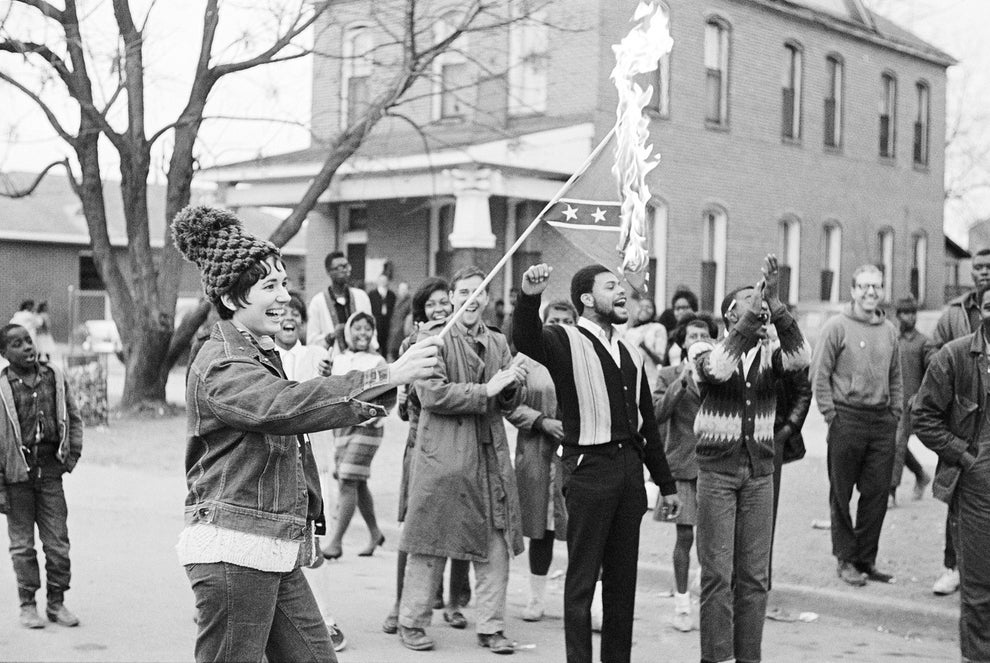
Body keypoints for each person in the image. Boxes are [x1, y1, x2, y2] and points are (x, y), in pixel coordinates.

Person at [171, 205, 441, 663]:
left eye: (284, 282)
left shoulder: (260, 352)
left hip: (275, 546)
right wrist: (388, 374)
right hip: (234, 551)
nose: (285, 296)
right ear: (234, 299)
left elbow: (297, 419)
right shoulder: (220, 362)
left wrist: (396, 378)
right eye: (269, 286)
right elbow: (288, 406)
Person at [513, 263, 680, 663]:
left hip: (629, 473)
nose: (621, 292)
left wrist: (667, 484)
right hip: (588, 470)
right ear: (587, 299)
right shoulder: (563, 338)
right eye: (611, 287)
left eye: (620, 286)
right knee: (583, 582)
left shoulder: (631, 351)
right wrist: (529, 297)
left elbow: (648, 425)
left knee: (622, 585)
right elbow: (526, 338)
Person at [397, 266, 527, 654]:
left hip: (489, 453)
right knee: (430, 539)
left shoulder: (498, 342)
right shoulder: (430, 338)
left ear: (486, 299)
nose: (472, 298)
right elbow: (433, 394)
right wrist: (487, 389)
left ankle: (491, 625)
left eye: (479, 291)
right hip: (445, 454)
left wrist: (511, 387)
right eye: (464, 291)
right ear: (452, 297)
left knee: (496, 540)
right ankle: (411, 621)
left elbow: (509, 401)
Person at [692, 254, 811, 663]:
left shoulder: (769, 352)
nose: (758, 299)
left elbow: (801, 360)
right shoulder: (702, 346)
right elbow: (719, 371)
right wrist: (750, 323)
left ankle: (749, 657)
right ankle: (717, 657)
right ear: (729, 312)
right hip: (717, 472)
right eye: (750, 296)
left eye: (760, 294)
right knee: (717, 576)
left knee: (755, 578)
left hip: (760, 471)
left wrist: (777, 307)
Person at [382, 277, 471, 635]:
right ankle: (401, 602)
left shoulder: (465, 341)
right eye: (430, 306)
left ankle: (453, 600)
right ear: (420, 315)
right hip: (421, 443)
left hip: (459, 442)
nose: (439, 310)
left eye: (443, 303)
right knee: (415, 525)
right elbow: (405, 409)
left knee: (460, 518)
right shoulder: (414, 344)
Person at [912, 281, 990, 663]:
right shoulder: (955, 356)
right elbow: (923, 416)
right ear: (979, 312)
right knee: (978, 587)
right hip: (977, 487)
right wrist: (963, 454)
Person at [813, 264, 902, 587]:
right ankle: (846, 559)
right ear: (852, 290)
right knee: (841, 493)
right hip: (846, 418)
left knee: (877, 493)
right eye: (864, 286)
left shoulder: (889, 329)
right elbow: (819, 375)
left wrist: (895, 413)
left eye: (876, 286)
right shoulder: (836, 326)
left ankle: (866, 558)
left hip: (881, 421)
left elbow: (896, 375)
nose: (870, 292)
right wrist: (831, 416)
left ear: (882, 291)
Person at [272, 292, 346, 651]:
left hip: (312, 464)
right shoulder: (262, 357)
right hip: (277, 466)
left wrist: (325, 376)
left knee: (314, 546)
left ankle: (325, 619)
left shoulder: (316, 357)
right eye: (282, 312)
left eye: (296, 313)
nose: (289, 318)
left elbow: (331, 391)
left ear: (302, 321)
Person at [0, 324, 82, 630]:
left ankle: (57, 602)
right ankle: (27, 604)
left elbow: (73, 417)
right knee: (22, 546)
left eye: (28, 341)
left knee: (58, 543)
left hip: (50, 473)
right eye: (16, 344)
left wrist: (70, 457)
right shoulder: (2, 388)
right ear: (4, 354)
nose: (26, 347)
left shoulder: (54, 378)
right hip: (16, 478)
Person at [506, 299, 577, 622]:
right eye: (554, 319)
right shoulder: (526, 361)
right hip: (537, 454)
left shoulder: (585, 357)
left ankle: (586, 601)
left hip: (577, 456)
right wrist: (540, 421)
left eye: (567, 319)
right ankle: (535, 598)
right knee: (541, 529)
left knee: (583, 527)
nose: (561, 323)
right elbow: (508, 404)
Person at [928, 247, 990, 596]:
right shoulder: (953, 313)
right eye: (978, 267)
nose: (983, 272)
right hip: (959, 417)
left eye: (988, 267)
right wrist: (952, 369)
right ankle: (953, 567)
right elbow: (931, 350)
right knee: (956, 495)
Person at [652, 313, 716, 632]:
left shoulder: (721, 374)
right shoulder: (668, 374)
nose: (697, 342)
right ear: (682, 343)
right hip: (682, 466)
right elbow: (657, 413)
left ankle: (710, 600)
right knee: (685, 535)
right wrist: (683, 379)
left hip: (714, 466)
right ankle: (681, 602)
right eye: (692, 337)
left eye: (703, 336)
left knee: (711, 540)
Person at [323, 312, 389, 560]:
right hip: (342, 426)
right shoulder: (338, 359)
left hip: (368, 426)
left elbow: (387, 393)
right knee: (355, 480)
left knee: (348, 479)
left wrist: (372, 414)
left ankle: (336, 543)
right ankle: (375, 533)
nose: (363, 333)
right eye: (358, 328)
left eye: (367, 329)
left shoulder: (378, 361)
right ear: (349, 331)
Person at [890, 296, 934, 506]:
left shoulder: (923, 342)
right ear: (898, 316)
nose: (911, 317)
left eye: (914, 313)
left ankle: (890, 492)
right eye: (907, 313)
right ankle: (921, 474)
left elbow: (931, 374)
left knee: (898, 443)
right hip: (889, 402)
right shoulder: (891, 338)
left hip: (909, 404)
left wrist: (920, 397)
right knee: (892, 444)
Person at [307, 251, 373, 350]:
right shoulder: (318, 302)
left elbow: (372, 331)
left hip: (360, 359)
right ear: (328, 271)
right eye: (338, 268)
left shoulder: (361, 297)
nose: (344, 270)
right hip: (332, 360)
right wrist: (332, 336)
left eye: (346, 266)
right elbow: (311, 342)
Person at [624, 296, 667, 388]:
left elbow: (660, 360)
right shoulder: (629, 332)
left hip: (650, 380)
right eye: (641, 306)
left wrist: (645, 348)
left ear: (654, 310)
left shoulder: (658, 328)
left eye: (648, 307)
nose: (644, 309)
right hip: (631, 379)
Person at [663, 289, 700, 365]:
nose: (680, 311)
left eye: (684, 307)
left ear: (694, 309)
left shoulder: (700, 332)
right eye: (677, 308)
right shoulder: (672, 336)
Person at [369, 272, 397, 356]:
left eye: (384, 281)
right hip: (376, 322)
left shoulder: (391, 295)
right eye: (381, 280)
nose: (383, 282)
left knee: (385, 343)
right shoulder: (372, 294)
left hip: (386, 323)